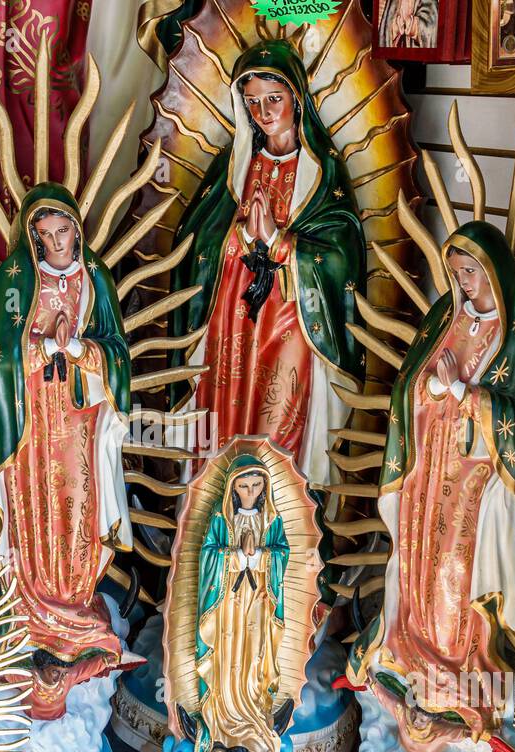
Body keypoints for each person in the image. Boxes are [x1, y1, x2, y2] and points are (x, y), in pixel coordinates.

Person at [347, 222, 515, 750]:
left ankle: (459, 663)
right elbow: (410, 385)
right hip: (429, 468)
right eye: (457, 273)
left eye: (473, 273)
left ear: (496, 275)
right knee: (419, 562)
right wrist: (430, 389)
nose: (464, 284)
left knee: (455, 574)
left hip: (476, 482)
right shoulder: (446, 316)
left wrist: (463, 392)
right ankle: (411, 646)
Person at [169, 39, 364, 487]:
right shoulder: (236, 163)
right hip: (231, 326)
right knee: (225, 421)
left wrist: (279, 241)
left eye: (274, 99)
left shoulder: (323, 173)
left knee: (279, 431)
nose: (263, 112)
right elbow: (196, 240)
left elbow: (341, 258)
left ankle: (281, 538)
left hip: (293, 326)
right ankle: (216, 526)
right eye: (252, 102)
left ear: (297, 97)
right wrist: (237, 236)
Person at [0, 183, 132, 718]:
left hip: (81, 419)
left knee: (78, 505)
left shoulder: (96, 281)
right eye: (45, 236)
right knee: (37, 505)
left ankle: (73, 594)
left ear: (77, 230)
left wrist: (84, 349)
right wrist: (42, 347)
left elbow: (117, 352)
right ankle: (33, 599)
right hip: (31, 425)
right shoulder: (15, 282)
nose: (56, 243)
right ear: (33, 239)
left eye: (63, 232)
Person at [193, 458, 290, 752]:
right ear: (232, 488)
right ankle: (222, 716)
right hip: (227, 609)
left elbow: (282, 555)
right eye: (244, 487)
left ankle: (253, 714)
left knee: (253, 658)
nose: (251, 493)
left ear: (265, 486)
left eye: (257, 486)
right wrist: (234, 557)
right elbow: (207, 556)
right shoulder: (221, 519)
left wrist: (261, 556)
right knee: (227, 662)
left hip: (258, 605)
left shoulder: (272, 519)